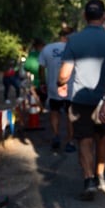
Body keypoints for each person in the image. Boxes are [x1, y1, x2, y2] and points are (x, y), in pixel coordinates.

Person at [56, 0, 105, 201]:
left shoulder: (73, 40)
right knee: (102, 136)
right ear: (103, 17)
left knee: (84, 139)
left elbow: (65, 74)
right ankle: (100, 174)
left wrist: (60, 83)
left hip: (81, 98)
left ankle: (88, 179)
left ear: (85, 16)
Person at [39, 23, 76, 152]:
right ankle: (70, 142)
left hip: (54, 87)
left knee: (54, 112)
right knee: (70, 115)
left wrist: (43, 83)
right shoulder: (75, 48)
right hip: (71, 89)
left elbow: (42, 68)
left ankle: (55, 136)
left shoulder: (48, 48)